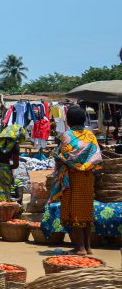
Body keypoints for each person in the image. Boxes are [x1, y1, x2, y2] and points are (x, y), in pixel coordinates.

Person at [49, 105, 103, 255]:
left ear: (68, 120)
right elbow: (97, 157)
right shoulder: (91, 135)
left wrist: (59, 158)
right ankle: (88, 247)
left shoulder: (66, 136)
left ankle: (80, 248)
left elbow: (63, 157)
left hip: (72, 178)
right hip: (87, 178)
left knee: (75, 211)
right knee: (86, 211)